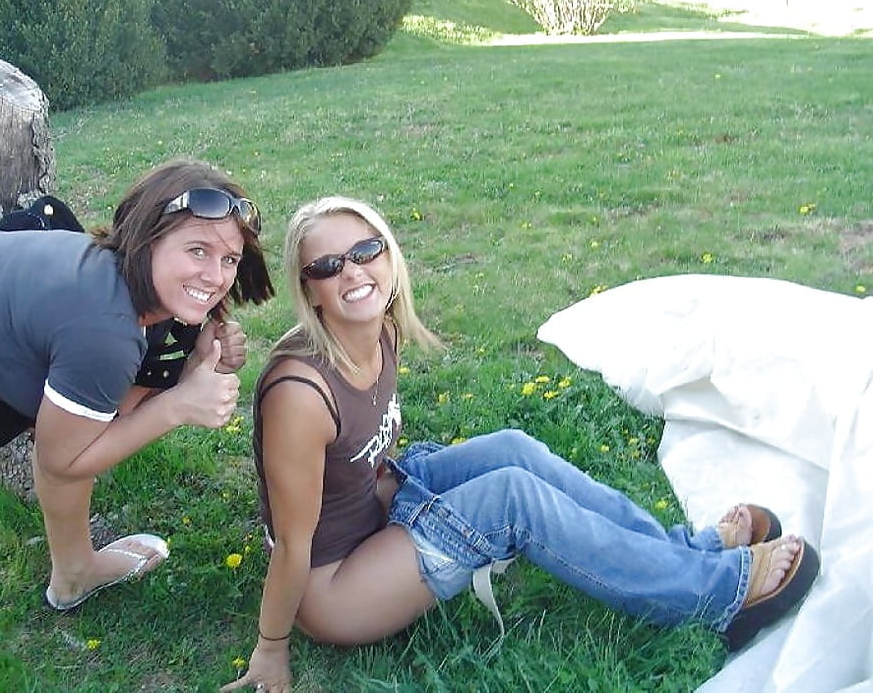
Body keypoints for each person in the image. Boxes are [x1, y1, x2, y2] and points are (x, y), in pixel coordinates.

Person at [222, 196, 820, 693]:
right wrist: (271, 647)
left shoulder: (380, 330)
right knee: (511, 498)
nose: (353, 273)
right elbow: (292, 543)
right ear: (310, 290)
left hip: (379, 506)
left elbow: (368, 458)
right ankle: (710, 595)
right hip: (335, 587)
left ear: (388, 254)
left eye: (365, 251)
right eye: (328, 266)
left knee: (512, 448)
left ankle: (683, 552)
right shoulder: (301, 393)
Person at [0, 157, 274, 692]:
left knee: (75, 427)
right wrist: (179, 404)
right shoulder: (103, 327)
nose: (216, 276)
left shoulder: (112, 280)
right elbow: (62, 460)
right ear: (146, 238)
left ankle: (76, 573)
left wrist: (190, 363)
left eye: (229, 259)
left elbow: (95, 419)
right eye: (197, 250)